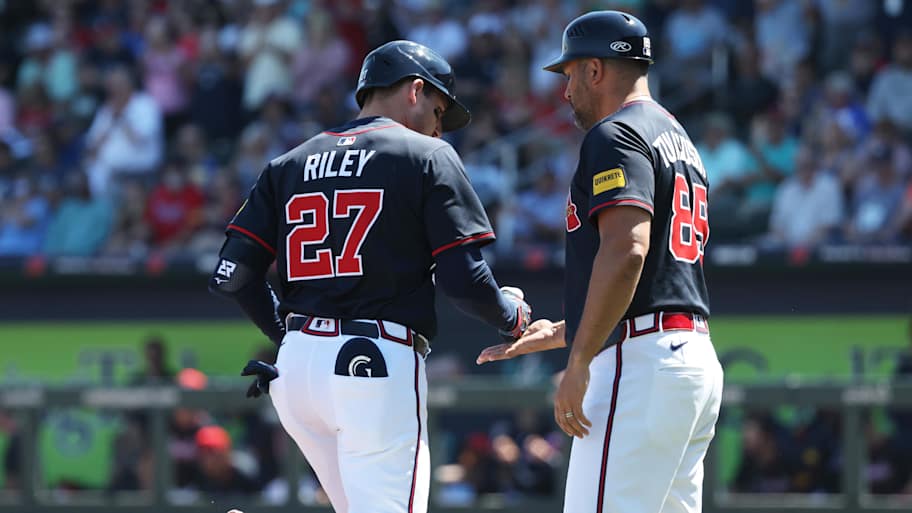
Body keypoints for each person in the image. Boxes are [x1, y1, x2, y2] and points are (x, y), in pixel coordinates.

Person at [209, 40, 530, 513]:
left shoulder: (290, 162)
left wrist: (289, 338)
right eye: (439, 111)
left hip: (296, 370)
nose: (440, 128)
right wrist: (513, 317)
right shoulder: (425, 155)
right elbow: (463, 281)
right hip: (372, 362)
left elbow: (232, 276)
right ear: (415, 91)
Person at [477, 11, 724, 513]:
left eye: (569, 74)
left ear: (596, 69)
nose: (565, 90)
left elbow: (627, 250)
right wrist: (564, 332)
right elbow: (657, 280)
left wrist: (580, 358)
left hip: (642, 365)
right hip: (686, 356)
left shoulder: (617, 134)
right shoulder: (678, 138)